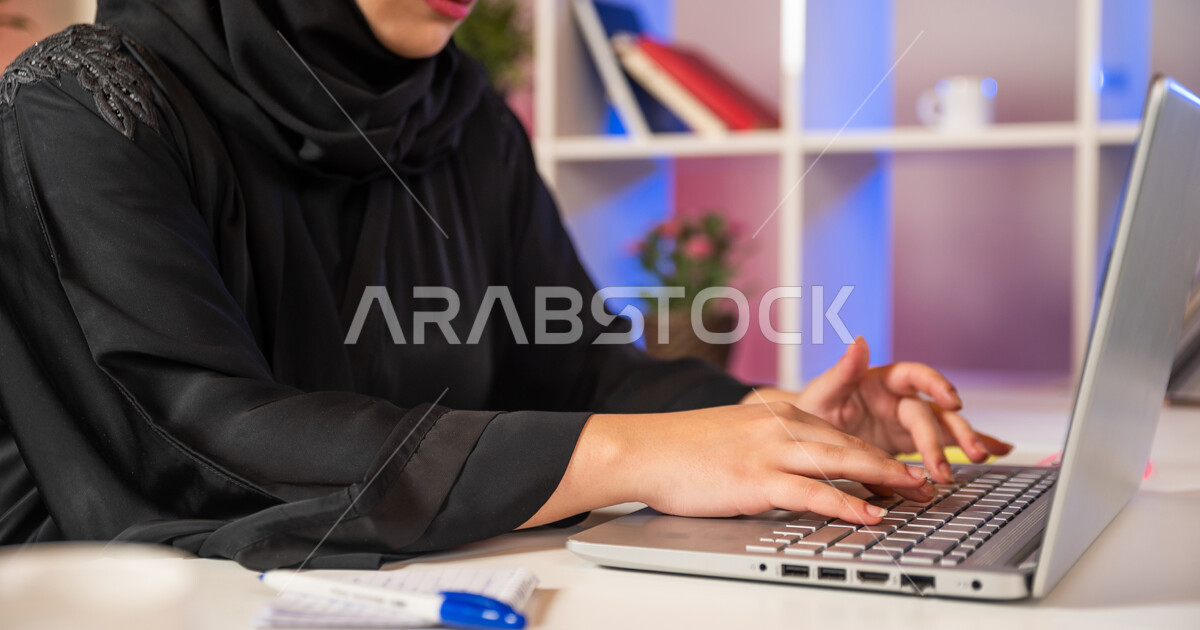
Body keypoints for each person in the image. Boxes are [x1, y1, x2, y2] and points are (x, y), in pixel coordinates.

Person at [0, 0, 1010, 570]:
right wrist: (628, 456)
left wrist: (777, 419)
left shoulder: (457, 117)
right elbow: (186, 437)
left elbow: (576, 374)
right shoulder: (76, 109)